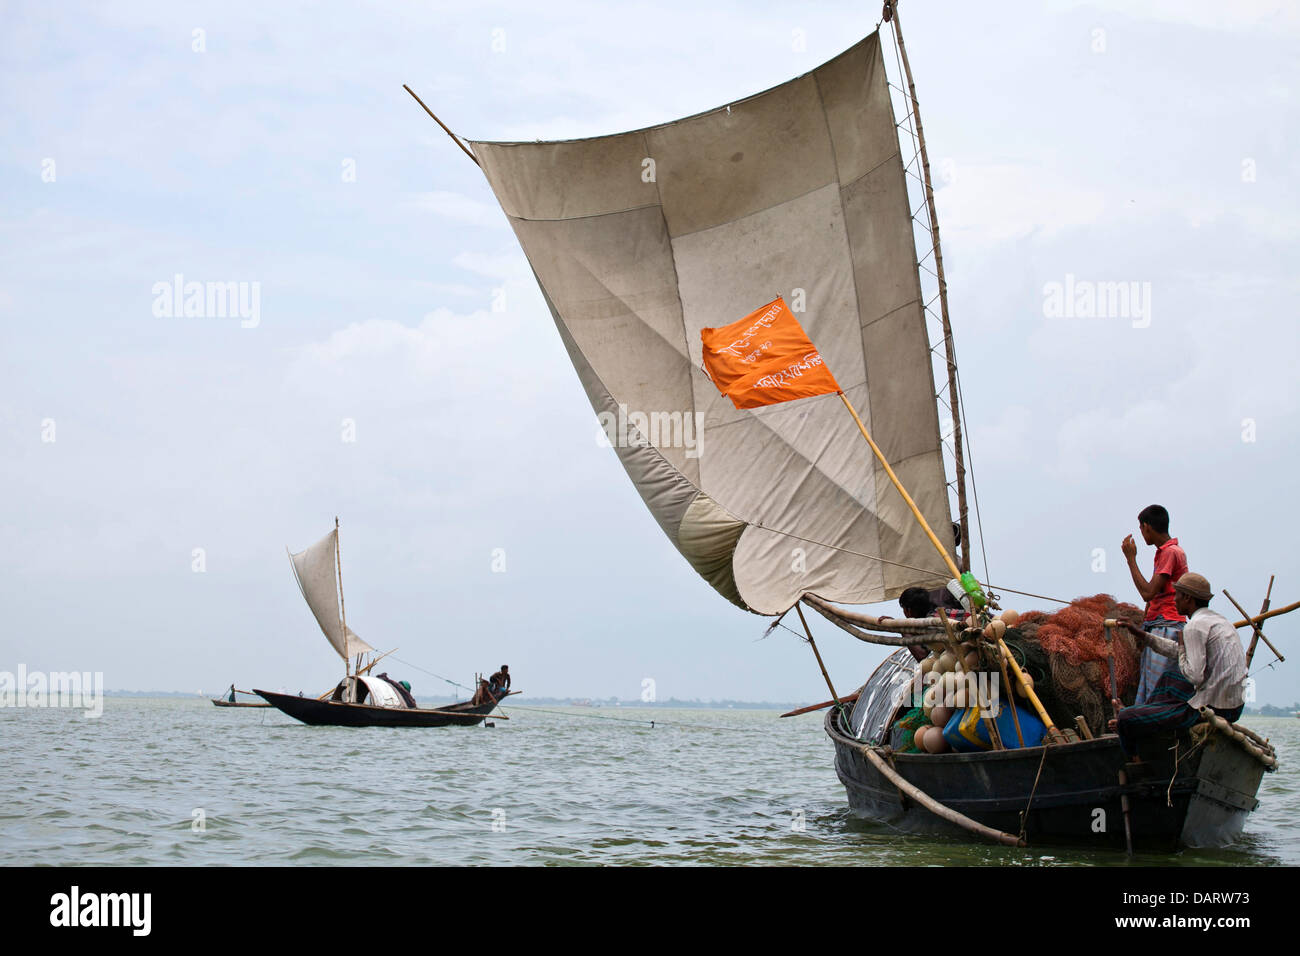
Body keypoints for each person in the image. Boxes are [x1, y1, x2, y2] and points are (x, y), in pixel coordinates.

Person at [1109, 572, 1247, 758]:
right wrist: (1141, 634)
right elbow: (1177, 651)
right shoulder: (1219, 621)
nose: (1174, 600)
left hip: (1212, 708)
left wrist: (1182, 646)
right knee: (1169, 677)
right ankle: (1145, 717)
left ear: (1188, 598)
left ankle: (1136, 748)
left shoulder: (1195, 626)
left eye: (1177, 595)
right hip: (1234, 706)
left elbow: (1195, 675)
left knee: (1125, 719)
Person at [1122, 504, 1188, 704]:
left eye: (1141, 529)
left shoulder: (1170, 552)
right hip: (1161, 623)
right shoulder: (1167, 552)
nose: (1142, 534)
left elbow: (1148, 593)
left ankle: (1153, 727)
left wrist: (1130, 559)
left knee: (1156, 691)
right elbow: (1154, 597)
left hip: (1167, 626)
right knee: (1153, 688)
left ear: (1147, 527)